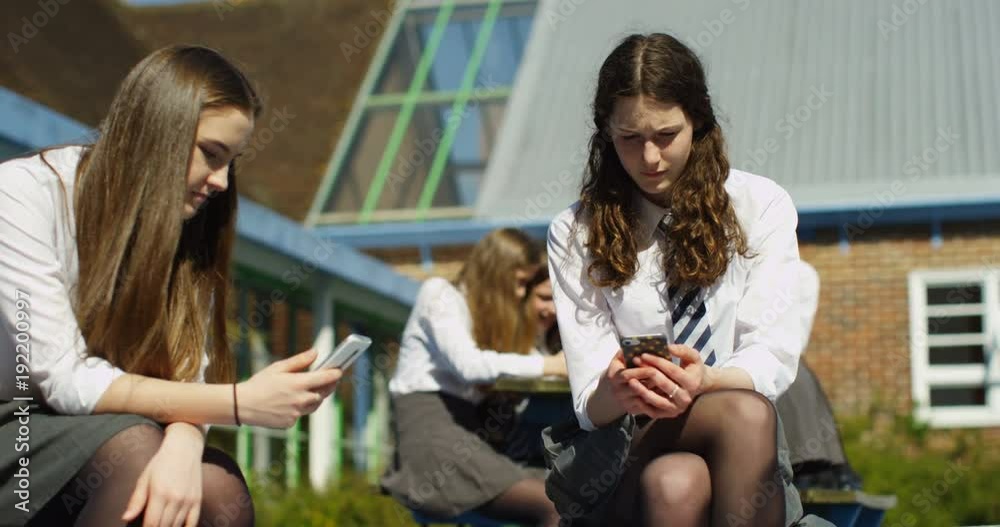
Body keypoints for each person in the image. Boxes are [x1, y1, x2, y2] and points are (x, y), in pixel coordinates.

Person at [0, 46, 342, 527]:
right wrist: (239, 404)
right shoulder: (22, 194)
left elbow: (186, 375)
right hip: (14, 427)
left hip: (97, 431)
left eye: (232, 161)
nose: (223, 181)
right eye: (211, 154)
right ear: (156, 131)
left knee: (215, 486)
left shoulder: (185, 236)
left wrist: (183, 445)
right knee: (135, 452)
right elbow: (63, 377)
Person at [544, 34, 832, 526]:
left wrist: (708, 380)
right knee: (744, 415)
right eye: (629, 139)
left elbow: (772, 352)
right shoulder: (575, 232)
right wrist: (617, 387)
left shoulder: (760, 206)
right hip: (621, 443)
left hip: (730, 429)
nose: (650, 158)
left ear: (698, 122)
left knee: (677, 484)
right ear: (605, 134)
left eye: (665, 135)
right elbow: (589, 405)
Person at [381, 228, 568, 527]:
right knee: (553, 506)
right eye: (519, 282)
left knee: (574, 495)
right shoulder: (440, 294)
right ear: (497, 271)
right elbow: (469, 366)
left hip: (468, 436)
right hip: (434, 441)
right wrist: (551, 366)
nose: (520, 294)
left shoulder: (481, 318)